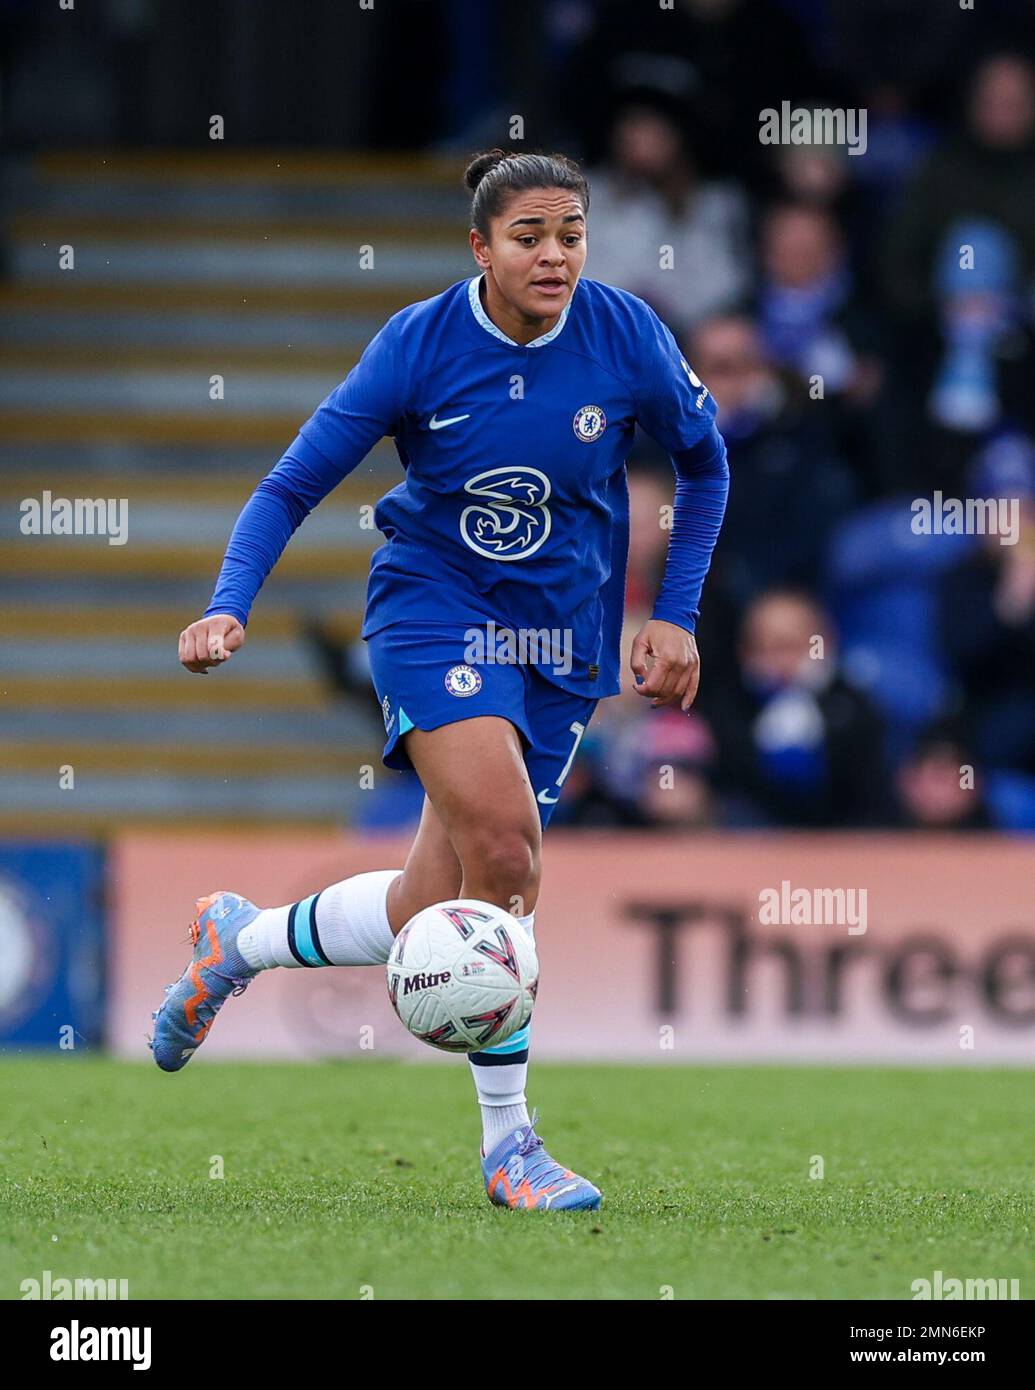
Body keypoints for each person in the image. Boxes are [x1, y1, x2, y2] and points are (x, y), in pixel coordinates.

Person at [151, 149, 730, 1212]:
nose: (555, 255)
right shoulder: (417, 344)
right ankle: (512, 1146)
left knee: (442, 897)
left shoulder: (626, 333)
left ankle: (235, 941)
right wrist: (230, 600)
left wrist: (678, 614)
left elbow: (707, 462)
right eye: (529, 236)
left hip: (562, 643)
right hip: (432, 611)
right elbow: (291, 483)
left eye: (571, 233)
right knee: (508, 846)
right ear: (480, 246)